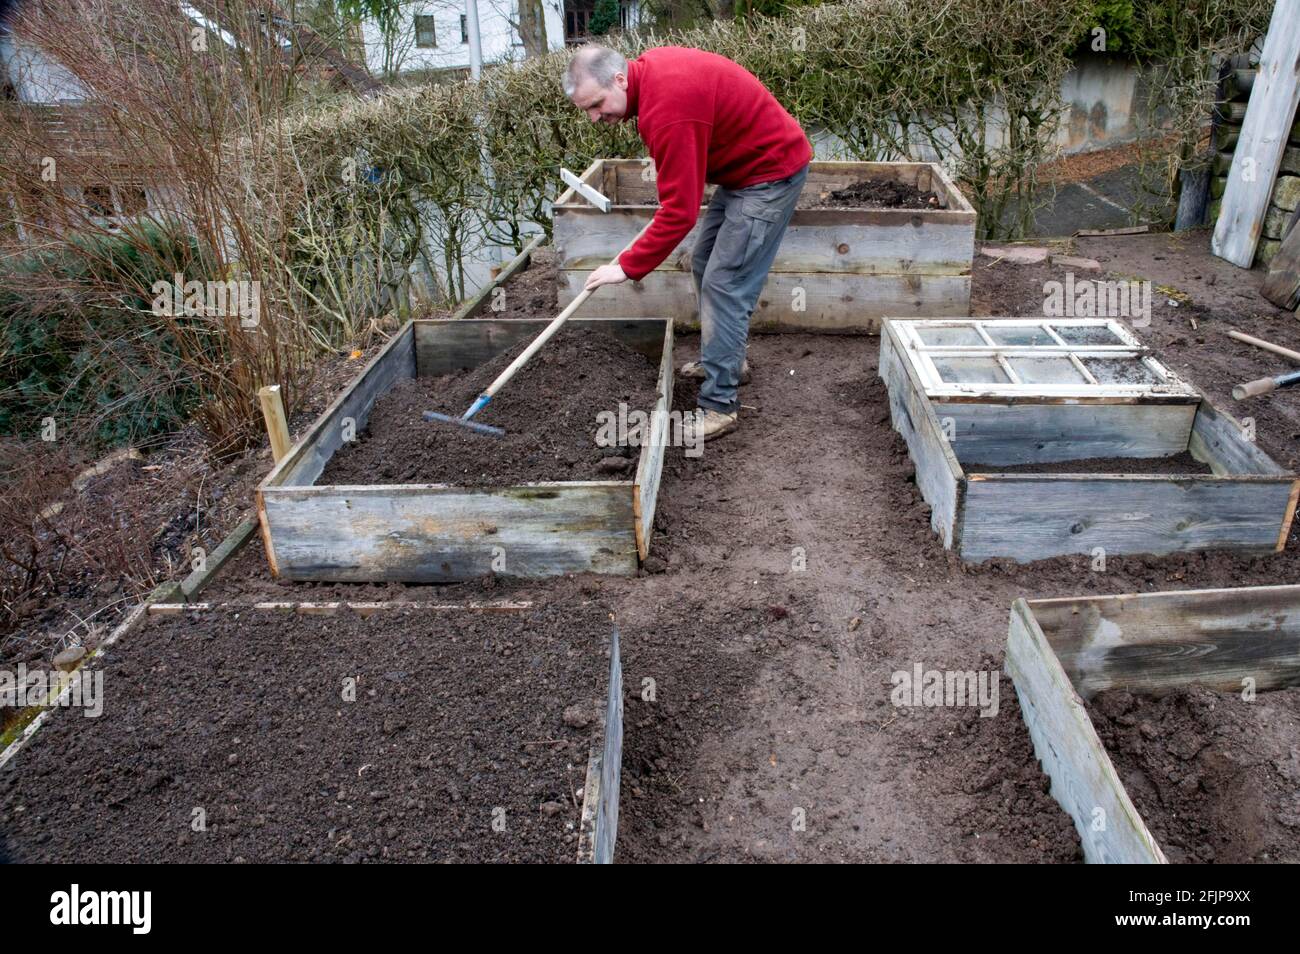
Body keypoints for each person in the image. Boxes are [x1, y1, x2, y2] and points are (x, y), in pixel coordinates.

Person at [564, 44, 812, 440]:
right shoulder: (651, 81)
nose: (595, 117)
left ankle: (720, 406)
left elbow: (679, 211)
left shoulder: (667, 111)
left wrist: (626, 267)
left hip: (769, 174)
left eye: (596, 104)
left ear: (619, 79)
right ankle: (726, 361)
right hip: (745, 173)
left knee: (724, 283)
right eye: (587, 111)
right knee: (704, 263)